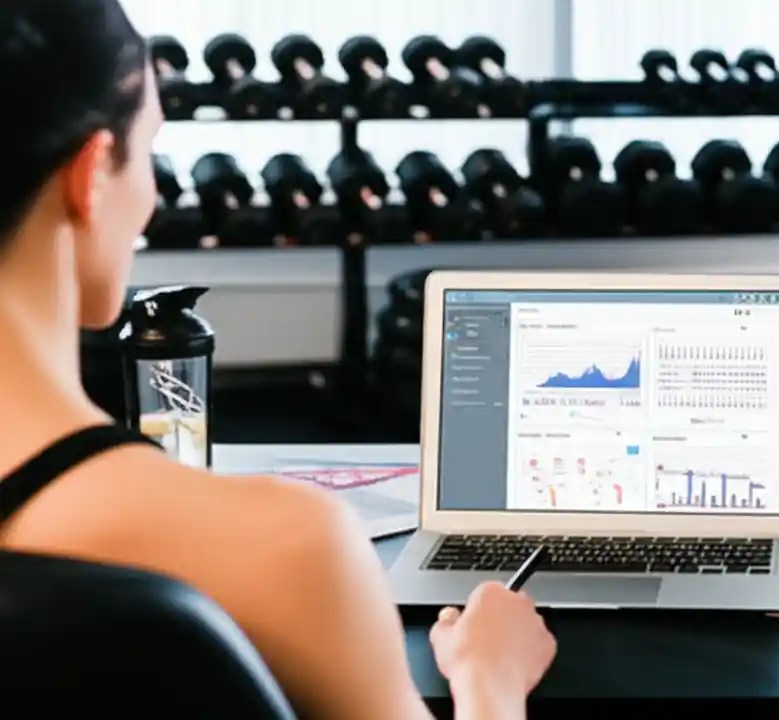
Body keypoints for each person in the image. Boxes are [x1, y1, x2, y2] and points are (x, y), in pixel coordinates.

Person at [0, 2, 555, 719]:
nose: (153, 197)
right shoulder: (287, 549)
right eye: (150, 151)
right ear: (92, 176)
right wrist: (491, 680)